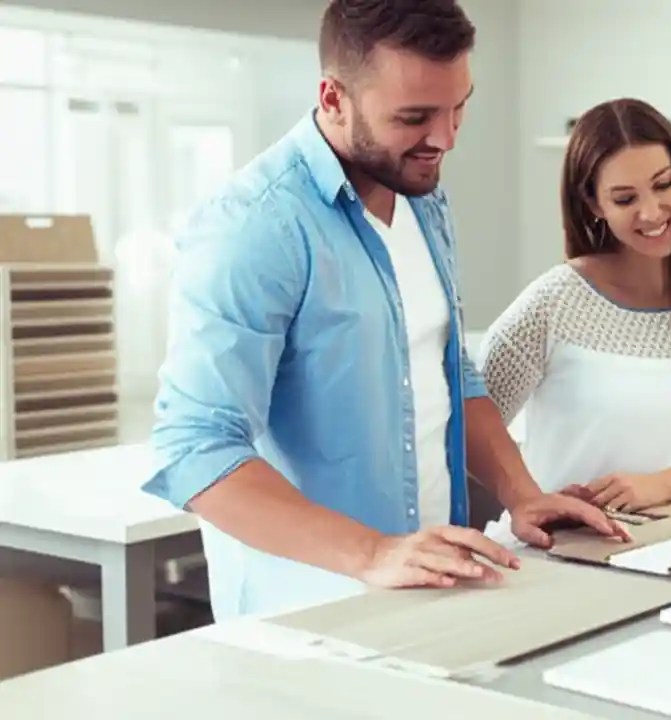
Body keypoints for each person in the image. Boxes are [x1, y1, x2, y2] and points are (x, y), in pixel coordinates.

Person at [144, 0, 622, 621]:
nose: (445, 138)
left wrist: (521, 495)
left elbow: (450, 367)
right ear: (335, 98)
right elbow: (194, 449)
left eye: (458, 108)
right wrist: (373, 553)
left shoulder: (421, 196)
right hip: (308, 617)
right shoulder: (255, 226)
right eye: (415, 116)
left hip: (428, 593)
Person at [478, 98, 671, 532]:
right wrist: (528, 496)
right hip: (565, 547)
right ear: (594, 204)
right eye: (625, 198)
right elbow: (472, 437)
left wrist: (659, 486)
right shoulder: (551, 304)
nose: (652, 212)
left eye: (663, 185)